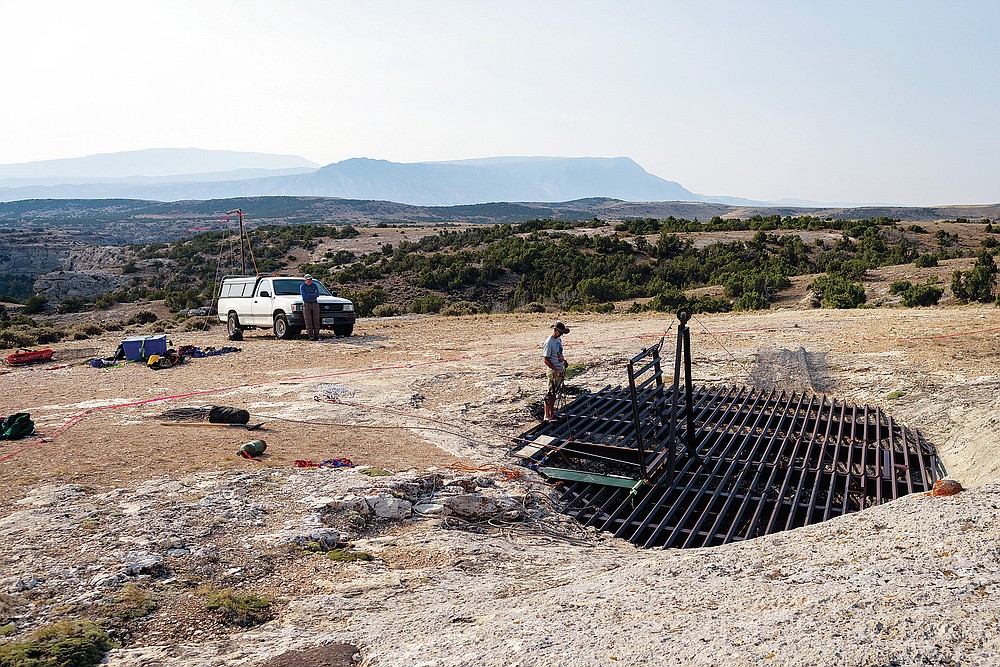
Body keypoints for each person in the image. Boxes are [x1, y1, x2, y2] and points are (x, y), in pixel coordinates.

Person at [542, 321, 569, 422]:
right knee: (550, 393)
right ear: (555, 330)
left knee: (555, 393)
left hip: (559, 369)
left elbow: (558, 354)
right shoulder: (549, 342)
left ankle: (552, 413)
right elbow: (546, 360)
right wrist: (556, 370)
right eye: (560, 332)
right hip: (553, 372)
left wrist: (563, 361)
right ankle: (546, 415)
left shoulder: (558, 340)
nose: (561, 334)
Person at [299, 274, 321, 340]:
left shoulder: (315, 285)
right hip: (306, 304)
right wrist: (312, 295)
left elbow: (317, 294)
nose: (309, 281)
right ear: (305, 280)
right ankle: (310, 335)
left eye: (310, 279)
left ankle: (317, 334)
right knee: (308, 320)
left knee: (316, 319)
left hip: (315, 303)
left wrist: (309, 295)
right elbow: (304, 296)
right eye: (308, 279)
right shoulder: (302, 286)